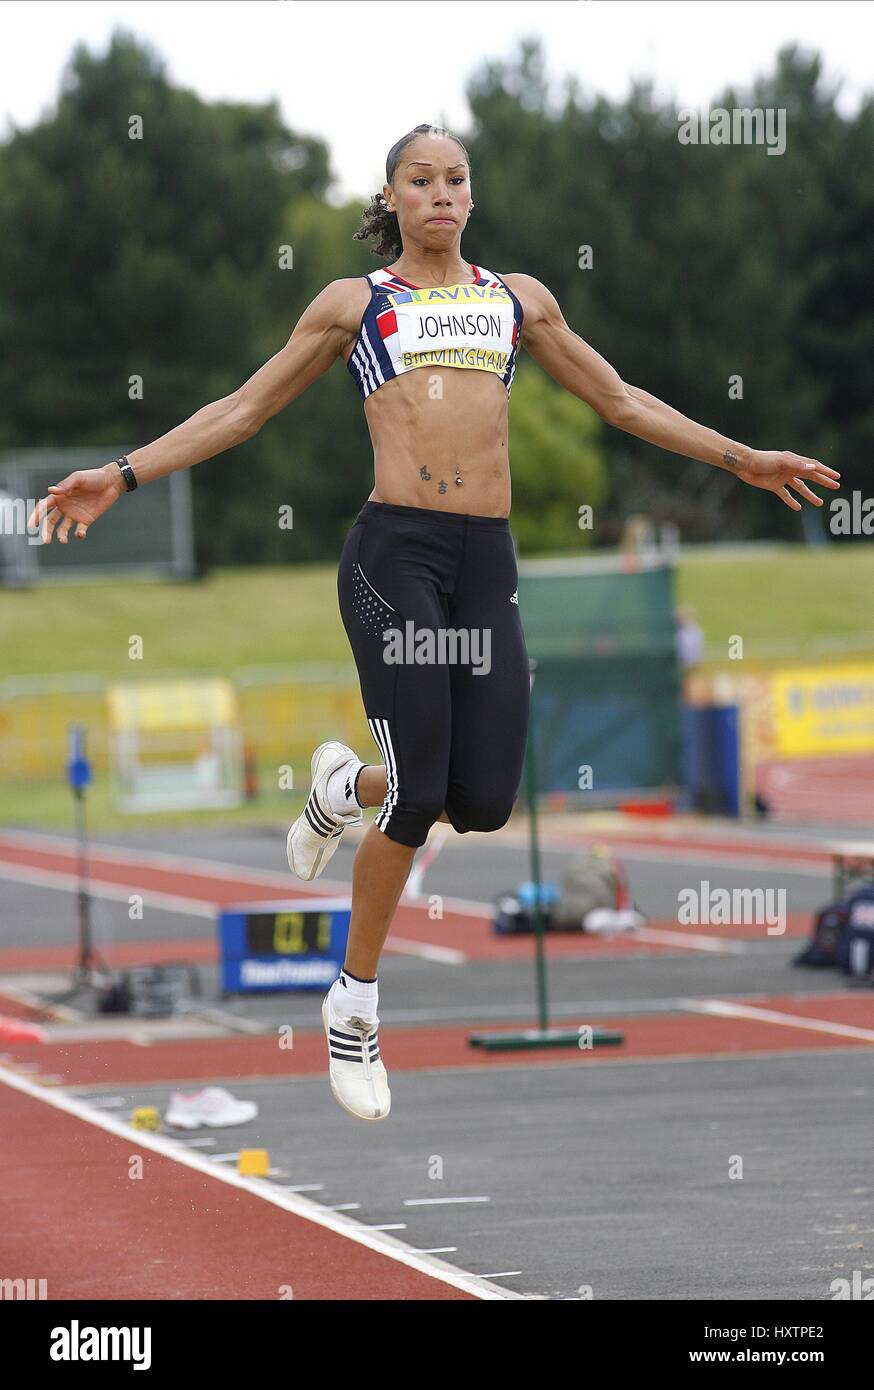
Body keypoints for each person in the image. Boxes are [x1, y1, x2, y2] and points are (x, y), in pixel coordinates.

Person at [29, 122, 841, 1122]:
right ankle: (355, 1001)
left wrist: (742, 457)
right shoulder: (353, 306)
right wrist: (121, 474)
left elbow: (621, 400)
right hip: (393, 555)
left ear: (471, 193)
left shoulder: (517, 300)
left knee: (484, 799)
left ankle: (342, 784)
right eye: (422, 180)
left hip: (482, 561)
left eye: (456, 178)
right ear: (394, 196)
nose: (441, 194)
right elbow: (241, 410)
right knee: (418, 797)